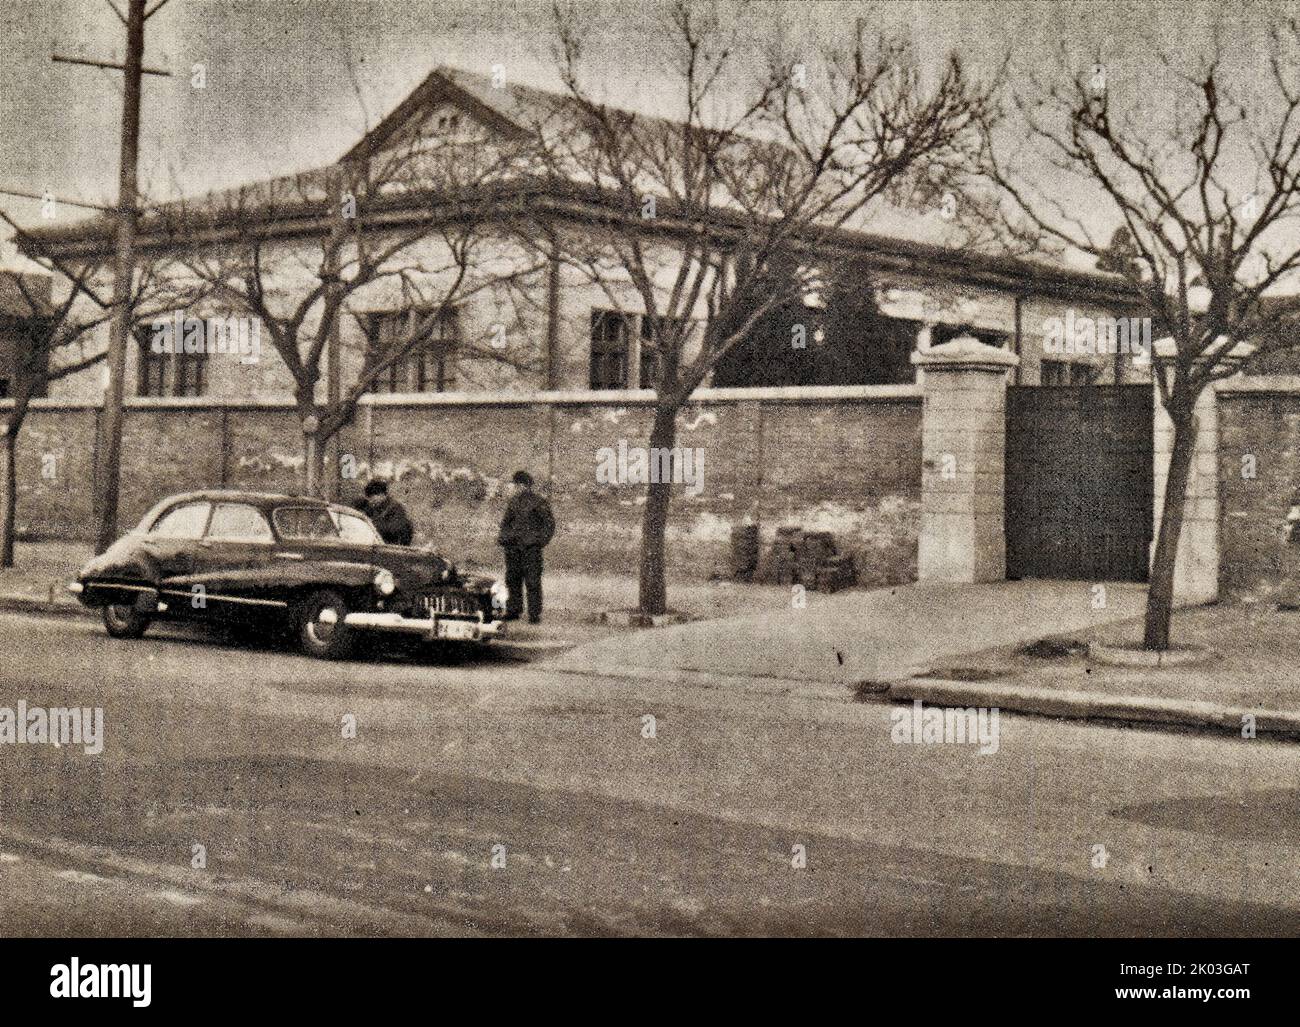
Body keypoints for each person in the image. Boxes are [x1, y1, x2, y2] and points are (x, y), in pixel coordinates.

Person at [497, 470, 555, 624]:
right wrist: (504, 538)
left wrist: (538, 542)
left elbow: (549, 525)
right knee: (512, 580)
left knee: (533, 582)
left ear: (525, 485)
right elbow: (505, 523)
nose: (517, 488)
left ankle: (534, 614)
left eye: (518, 485)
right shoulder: (513, 502)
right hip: (513, 548)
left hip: (531, 550)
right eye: (516, 485)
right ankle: (513, 610)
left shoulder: (539, 502)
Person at [356, 479, 414, 546]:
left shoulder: (395, 508)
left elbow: (394, 528)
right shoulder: (369, 507)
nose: (370, 501)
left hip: (391, 545)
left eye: (372, 497)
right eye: (369, 497)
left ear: (382, 495)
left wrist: (370, 525)